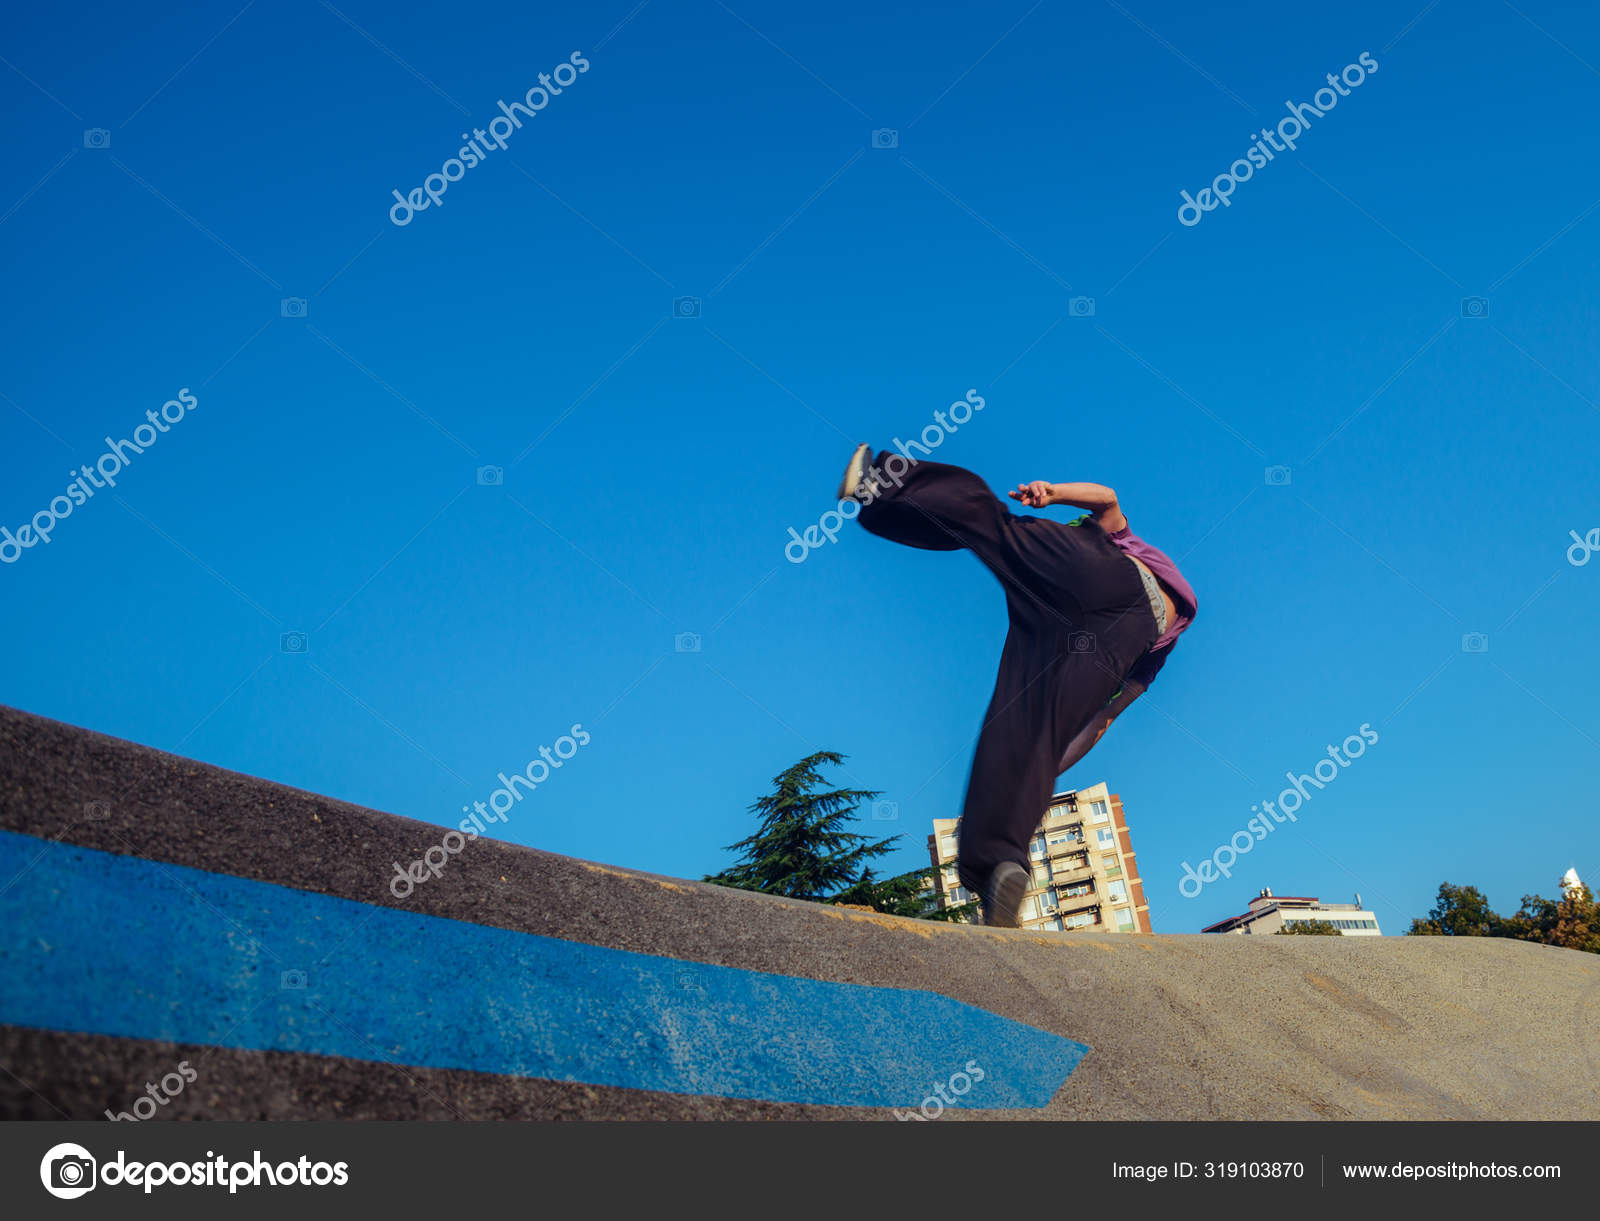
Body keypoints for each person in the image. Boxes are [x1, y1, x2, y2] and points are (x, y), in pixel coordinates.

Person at [837, 444, 1197, 928]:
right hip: (1117, 637)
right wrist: (1043, 764)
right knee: (1025, 728)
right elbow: (1102, 720)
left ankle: (881, 484)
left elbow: (1107, 499)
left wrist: (1054, 493)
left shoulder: (1118, 542)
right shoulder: (1156, 651)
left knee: (995, 527)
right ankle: (998, 866)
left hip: (1107, 584)